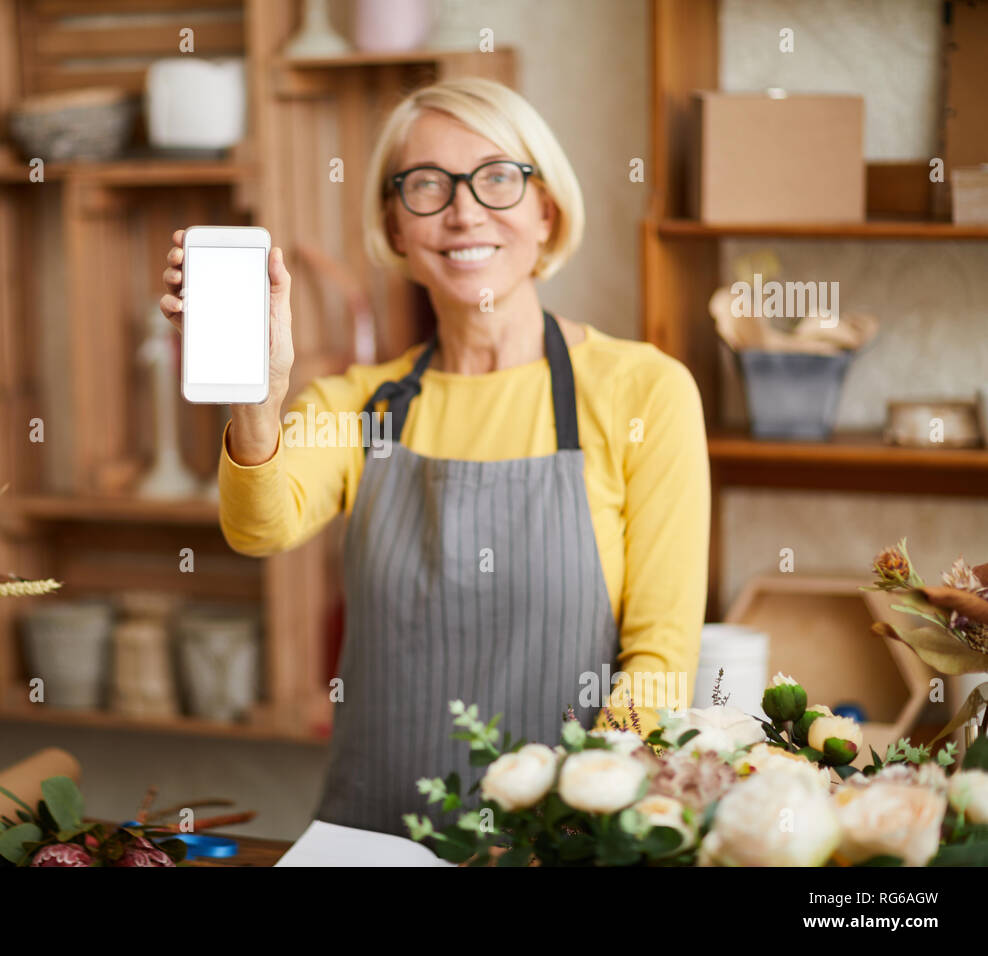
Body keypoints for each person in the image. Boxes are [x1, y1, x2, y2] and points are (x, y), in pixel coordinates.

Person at [160, 77, 709, 836]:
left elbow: (661, 661)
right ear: (394, 226)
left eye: (497, 178)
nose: (464, 211)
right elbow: (260, 528)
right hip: (373, 837)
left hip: (556, 843)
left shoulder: (645, 392)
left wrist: (576, 830)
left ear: (545, 211)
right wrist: (257, 393)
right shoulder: (361, 404)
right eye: (426, 185)